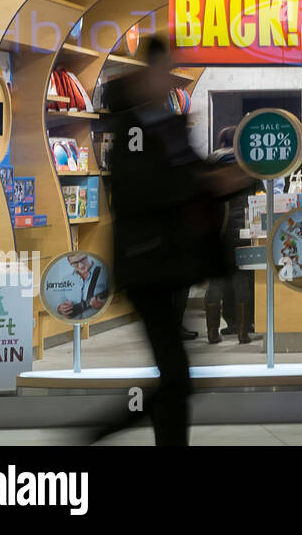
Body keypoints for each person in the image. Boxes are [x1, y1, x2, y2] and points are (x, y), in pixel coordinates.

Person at [100, 37, 250, 445]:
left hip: (171, 262)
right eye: (163, 70)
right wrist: (204, 183)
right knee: (178, 376)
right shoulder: (127, 126)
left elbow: (190, 174)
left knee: (177, 376)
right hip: (145, 264)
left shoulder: (167, 123)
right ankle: (97, 432)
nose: (168, 79)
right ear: (146, 71)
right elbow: (138, 190)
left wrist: (227, 179)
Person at [204, 126, 258, 345]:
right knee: (242, 280)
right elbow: (259, 196)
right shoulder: (248, 166)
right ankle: (243, 334)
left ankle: (212, 333)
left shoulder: (209, 164)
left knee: (215, 282)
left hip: (215, 232)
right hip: (242, 230)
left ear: (222, 142)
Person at [54, 253, 110, 320]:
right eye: (75, 263)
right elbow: (58, 301)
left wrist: (104, 305)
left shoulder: (106, 272)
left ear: (88, 255)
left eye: (83, 259)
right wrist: (60, 309)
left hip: (99, 323)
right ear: (70, 263)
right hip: (72, 325)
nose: (80, 265)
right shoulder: (66, 279)